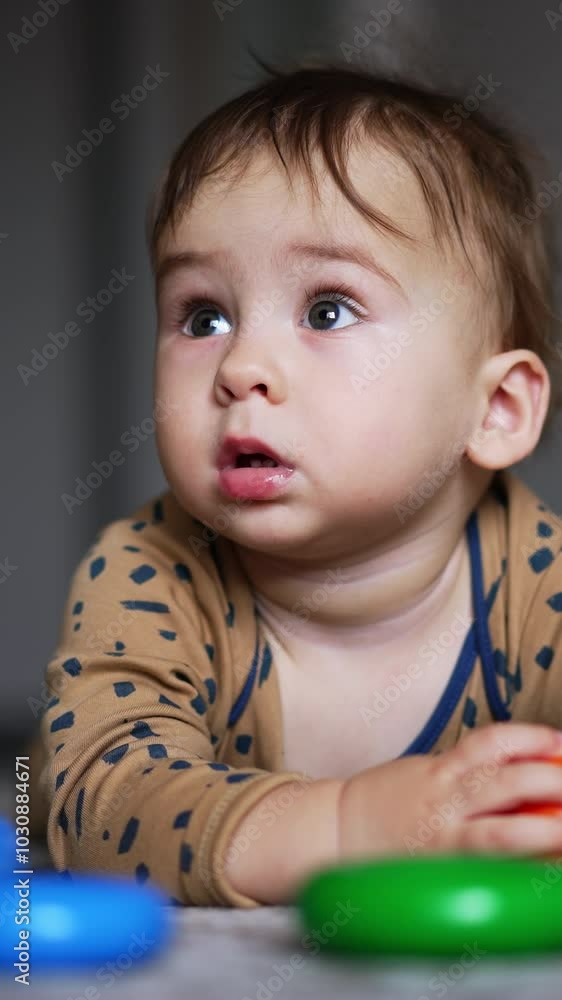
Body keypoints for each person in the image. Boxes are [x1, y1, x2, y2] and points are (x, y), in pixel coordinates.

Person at [33, 59, 562, 907]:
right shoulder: (151, 572)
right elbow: (94, 814)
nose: (242, 367)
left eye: (327, 310)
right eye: (204, 316)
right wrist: (353, 827)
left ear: (495, 407)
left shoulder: (541, 584)